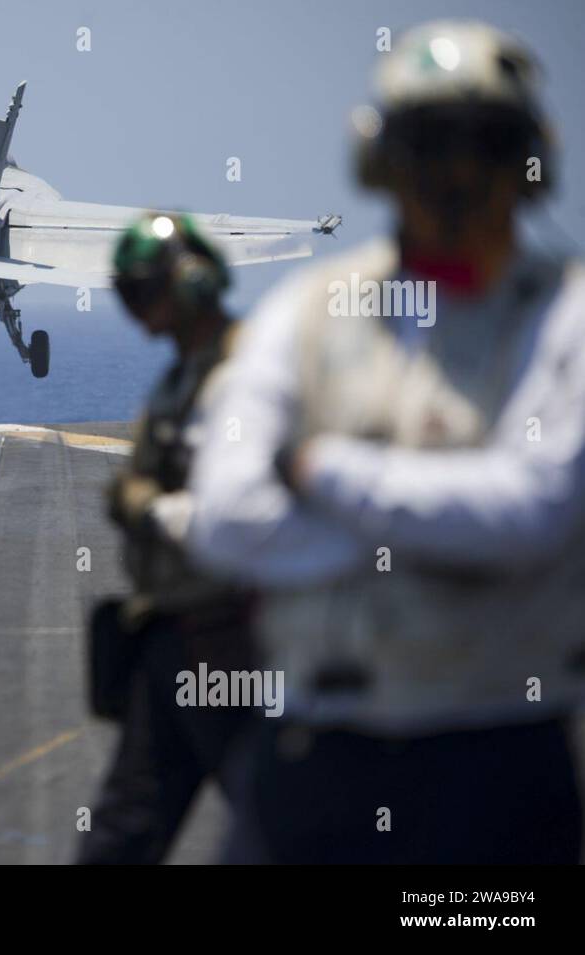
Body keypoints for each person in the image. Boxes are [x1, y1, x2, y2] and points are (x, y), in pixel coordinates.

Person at [188, 20, 585, 863]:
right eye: (430, 143)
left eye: (484, 143)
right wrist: (436, 528)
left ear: (527, 165)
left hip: (496, 768)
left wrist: (317, 468)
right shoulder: (304, 311)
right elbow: (226, 514)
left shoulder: (571, 314)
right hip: (309, 766)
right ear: (382, 159)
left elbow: (531, 511)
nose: (456, 171)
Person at [78, 213, 255, 864]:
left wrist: (147, 506)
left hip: (230, 646)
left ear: (192, 283)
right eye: (129, 295)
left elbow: (245, 513)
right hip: (169, 637)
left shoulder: (245, 379)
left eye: (146, 292)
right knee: (121, 834)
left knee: (278, 828)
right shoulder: (182, 378)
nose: (138, 310)